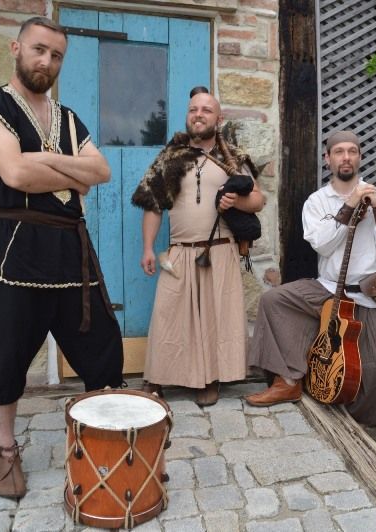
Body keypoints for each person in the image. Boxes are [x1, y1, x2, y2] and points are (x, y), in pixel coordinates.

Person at [0, 17, 124, 498]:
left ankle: (105, 440)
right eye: (39, 50)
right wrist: (66, 170)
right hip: (17, 245)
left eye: (56, 55)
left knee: (100, 344)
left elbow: (100, 171)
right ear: (16, 48)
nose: (47, 62)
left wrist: (44, 161)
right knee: (8, 351)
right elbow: (14, 174)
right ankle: (6, 451)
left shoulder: (69, 117)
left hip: (69, 248)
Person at [245, 131, 376, 425]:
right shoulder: (317, 201)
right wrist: (349, 206)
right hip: (329, 288)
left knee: (367, 373)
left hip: (369, 295)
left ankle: (360, 428)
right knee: (275, 300)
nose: (346, 157)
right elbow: (323, 244)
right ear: (327, 159)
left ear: (359, 157)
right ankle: (287, 381)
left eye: (352, 151)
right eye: (339, 152)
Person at [131, 87, 265, 407]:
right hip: (180, 251)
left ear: (218, 119)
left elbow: (258, 199)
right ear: (188, 116)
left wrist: (238, 200)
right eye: (194, 110)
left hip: (220, 250)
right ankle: (157, 378)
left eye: (206, 110)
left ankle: (210, 379)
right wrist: (148, 248)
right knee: (168, 316)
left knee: (216, 319)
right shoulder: (170, 156)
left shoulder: (233, 157)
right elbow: (153, 206)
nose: (199, 115)